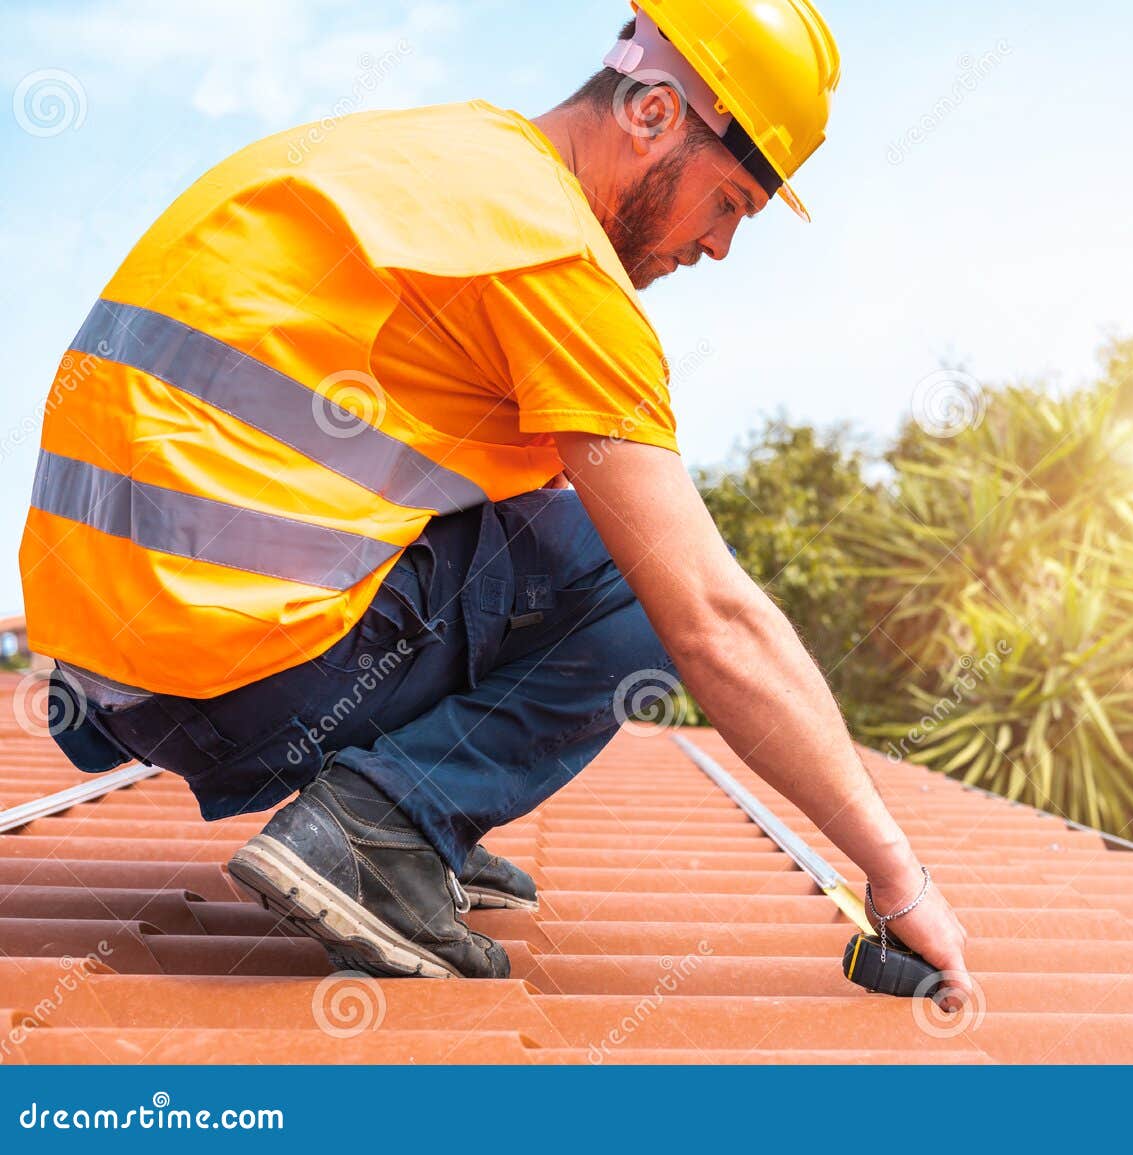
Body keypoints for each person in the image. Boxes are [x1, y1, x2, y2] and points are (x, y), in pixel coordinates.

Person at [22, 0, 972, 1005]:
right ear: (652, 113)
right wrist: (898, 874)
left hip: (102, 675)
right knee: (643, 579)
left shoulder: (437, 161)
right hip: (222, 687)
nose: (720, 247)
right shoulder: (549, 254)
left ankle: (411, 825)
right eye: (728, 201)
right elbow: (713, 622)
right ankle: (382, 827)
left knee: (546, 513)